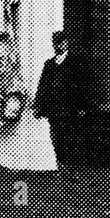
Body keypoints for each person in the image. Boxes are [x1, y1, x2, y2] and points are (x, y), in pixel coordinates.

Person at [34, 30, 85, 177]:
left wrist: (81, 106)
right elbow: (42, 86)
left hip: (69, 109)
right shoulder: (49, 64)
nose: (59, 45)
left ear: (66, 43)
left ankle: (73, 169)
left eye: (62, 42)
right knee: (56, 137)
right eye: (56, 42)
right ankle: (61, 167)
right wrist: (38, 105)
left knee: (70, 138)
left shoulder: (74, 64)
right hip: (54, 108)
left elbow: (80, 86)